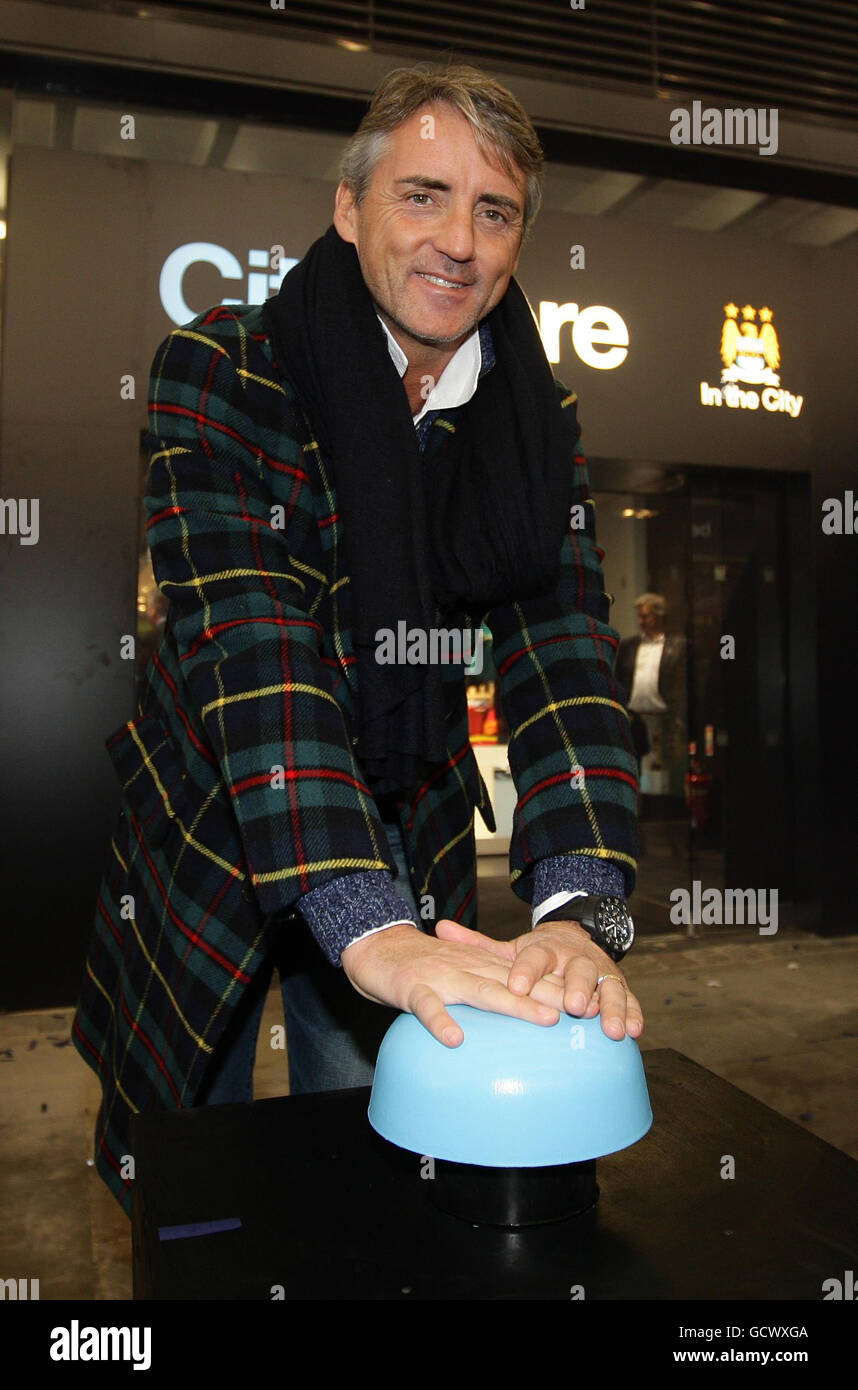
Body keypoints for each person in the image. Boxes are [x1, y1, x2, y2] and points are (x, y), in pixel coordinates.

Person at [72, 62, 642, 1217]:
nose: (460, 242)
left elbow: (565, 647)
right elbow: (255, 648)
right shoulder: (221, 371)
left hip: (405, 813)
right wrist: (357, 911)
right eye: (423, 195)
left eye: (495, 210)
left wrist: (582, 900)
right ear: (349, 208)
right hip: (224, 816)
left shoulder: (536, 415)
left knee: (379, 1172)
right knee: (193, 1173)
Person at [616, 593, 687, 797]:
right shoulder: (629, 646)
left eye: (646, 616)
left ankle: (672, 808)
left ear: (658, 616)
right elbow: (618, 679)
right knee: (633, 768)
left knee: (671, 766)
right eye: (639, 616)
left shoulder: (676, 646)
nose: (641, 621)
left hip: (666, 718)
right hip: (634, 718)